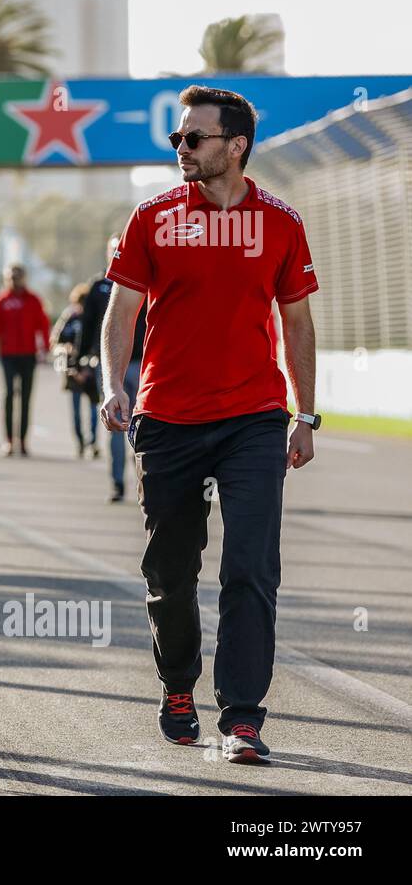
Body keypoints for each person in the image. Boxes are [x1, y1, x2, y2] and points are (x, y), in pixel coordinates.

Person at [100, 85, 319, 764]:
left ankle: (243, 717)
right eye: (177, 139)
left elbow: (298, 323)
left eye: (193, 138)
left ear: (236, 146)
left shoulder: (280, 222)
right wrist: (115, 386)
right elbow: (121, 315)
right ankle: (176, 685)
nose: (181, 149)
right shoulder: (153, 218)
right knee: (171, 569)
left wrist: (305, 414)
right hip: (167, 417)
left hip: (255, 419)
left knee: (251, 568)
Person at [80, 237, 147, 501]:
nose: (118, 254)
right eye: (114, 250)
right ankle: (118, 483)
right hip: (110, 367)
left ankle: (144, 481)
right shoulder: (98, 287)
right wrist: (80, 359)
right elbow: (87, 326)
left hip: (142, 362)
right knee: (117, 425)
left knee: (143, 427)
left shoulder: (146, 281)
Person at [0, 263, 51, 456]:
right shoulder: (0, 301)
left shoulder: (34, 300)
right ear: (6, 279)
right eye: (11, 277)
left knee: (26, 398)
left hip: (28, 355)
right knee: (9, 395)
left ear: (24, 277)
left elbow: (43, 325)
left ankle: (23, 441)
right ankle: (9, 441)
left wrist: (45, 348)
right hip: (8, 355)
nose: (14, 280)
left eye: (18, 276)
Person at [51, 283, 99, 459]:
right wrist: (66, 348)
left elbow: (98, 344)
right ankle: (80, 442)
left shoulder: (93, 320)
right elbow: (55, 341)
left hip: (90, 370)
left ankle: (92, 442)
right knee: (76, 411)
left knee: (94, 410)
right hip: (72, 370)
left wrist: (88, 367)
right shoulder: (68, 318)